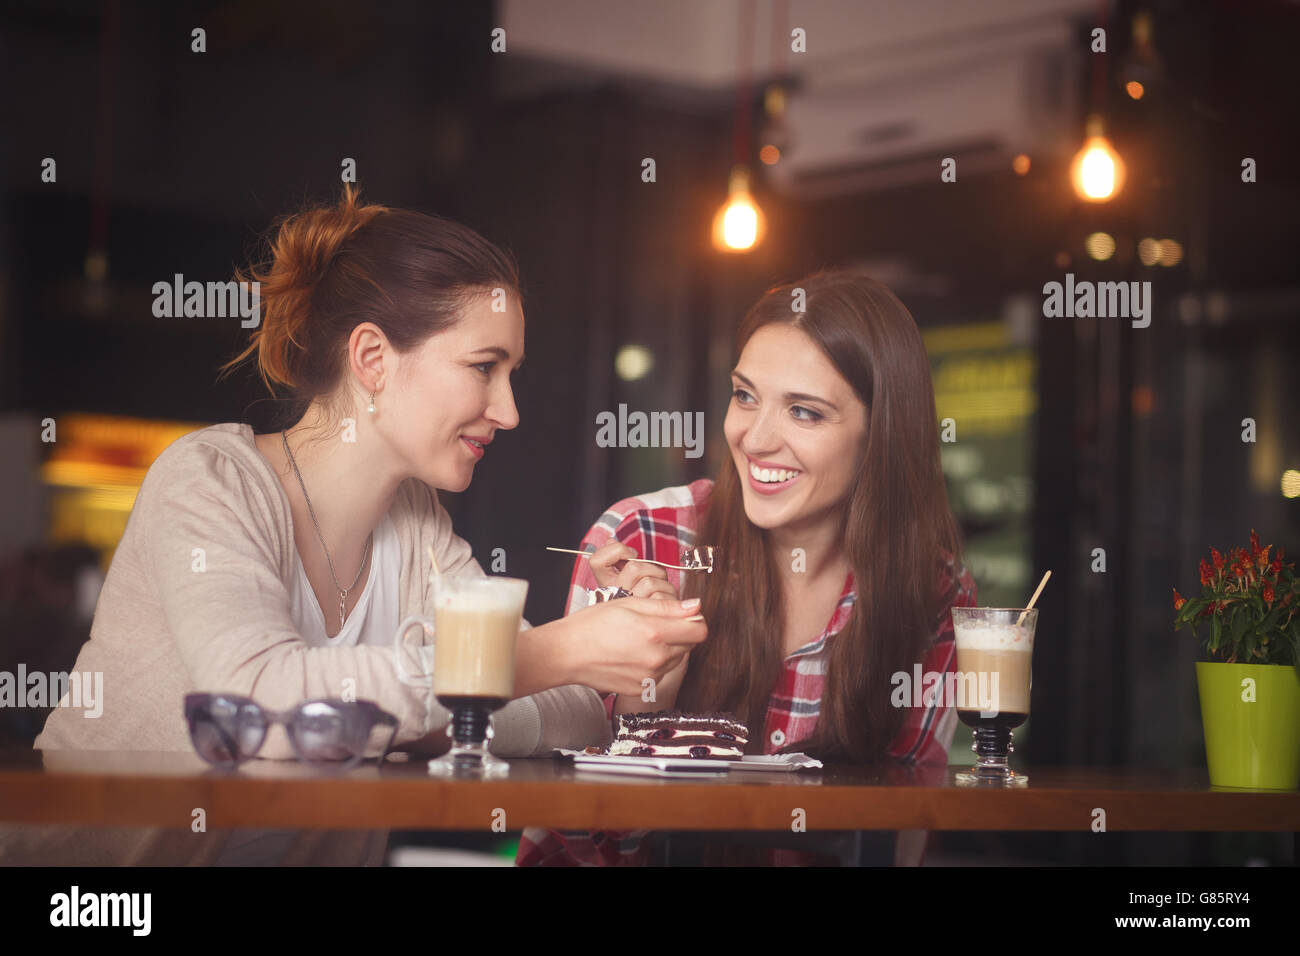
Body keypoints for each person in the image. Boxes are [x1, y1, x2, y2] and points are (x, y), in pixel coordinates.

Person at [0, 185, 704, 865]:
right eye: (484, 368)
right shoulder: (210, 480)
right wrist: (511, 671)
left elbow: (574, 714)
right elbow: (258, 701)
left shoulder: (419, 532)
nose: (509, 410)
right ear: (372, 358)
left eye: (512, 372)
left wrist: (454, 700)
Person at [517, 270, 977, 866]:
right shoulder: (641, 539)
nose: (755, 438)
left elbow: (898, 831)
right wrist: (648, 704)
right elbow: (578, 834)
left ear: (880, 436)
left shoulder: (937, 593)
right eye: (745, 395)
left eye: (805, 413)